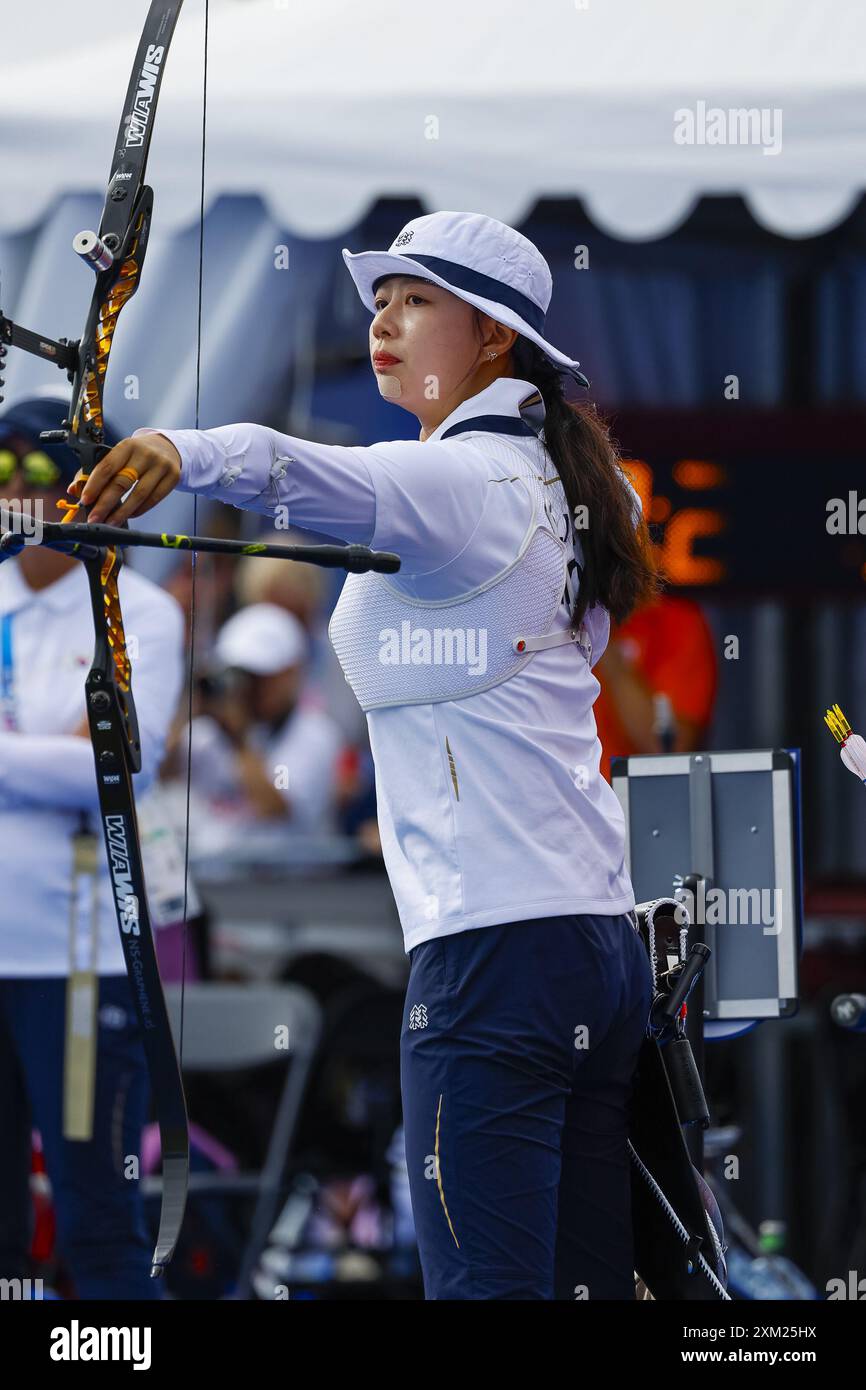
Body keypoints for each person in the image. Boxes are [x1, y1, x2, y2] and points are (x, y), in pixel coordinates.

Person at [77, 209, 659, 1300]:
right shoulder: (563, 476)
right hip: (591, 938)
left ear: (493, 336)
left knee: (487, 1290)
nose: (382, 323)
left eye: (415, 301)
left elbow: (298, 472)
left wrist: (182, 450)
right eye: (379, 301)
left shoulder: (467, 481)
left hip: (494, 950)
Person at [0, 397, 185, 1297]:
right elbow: (68, 761)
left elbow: (112, 770)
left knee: (98, 1226)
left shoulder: (137, 611)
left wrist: (37, 761)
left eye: (39, 469)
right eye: (2, 468)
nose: (17, 488)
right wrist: (43, 757)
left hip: (77, 962)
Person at [175, 601, 344, 844]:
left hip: (288, 868)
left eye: (259, 676)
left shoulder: (316, 735)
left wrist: (238, 740)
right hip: (210, 866)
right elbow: (154, 775)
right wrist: (189, 709)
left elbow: (275, 808)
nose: (248, 688)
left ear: (290, 673)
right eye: (240, 675)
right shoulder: (207, 732)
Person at [594, 594, 718, 780]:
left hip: (635, 793)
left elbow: (668, 747)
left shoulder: (676, 619)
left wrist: (599, 634)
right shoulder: (554, 618)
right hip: (563, 789)